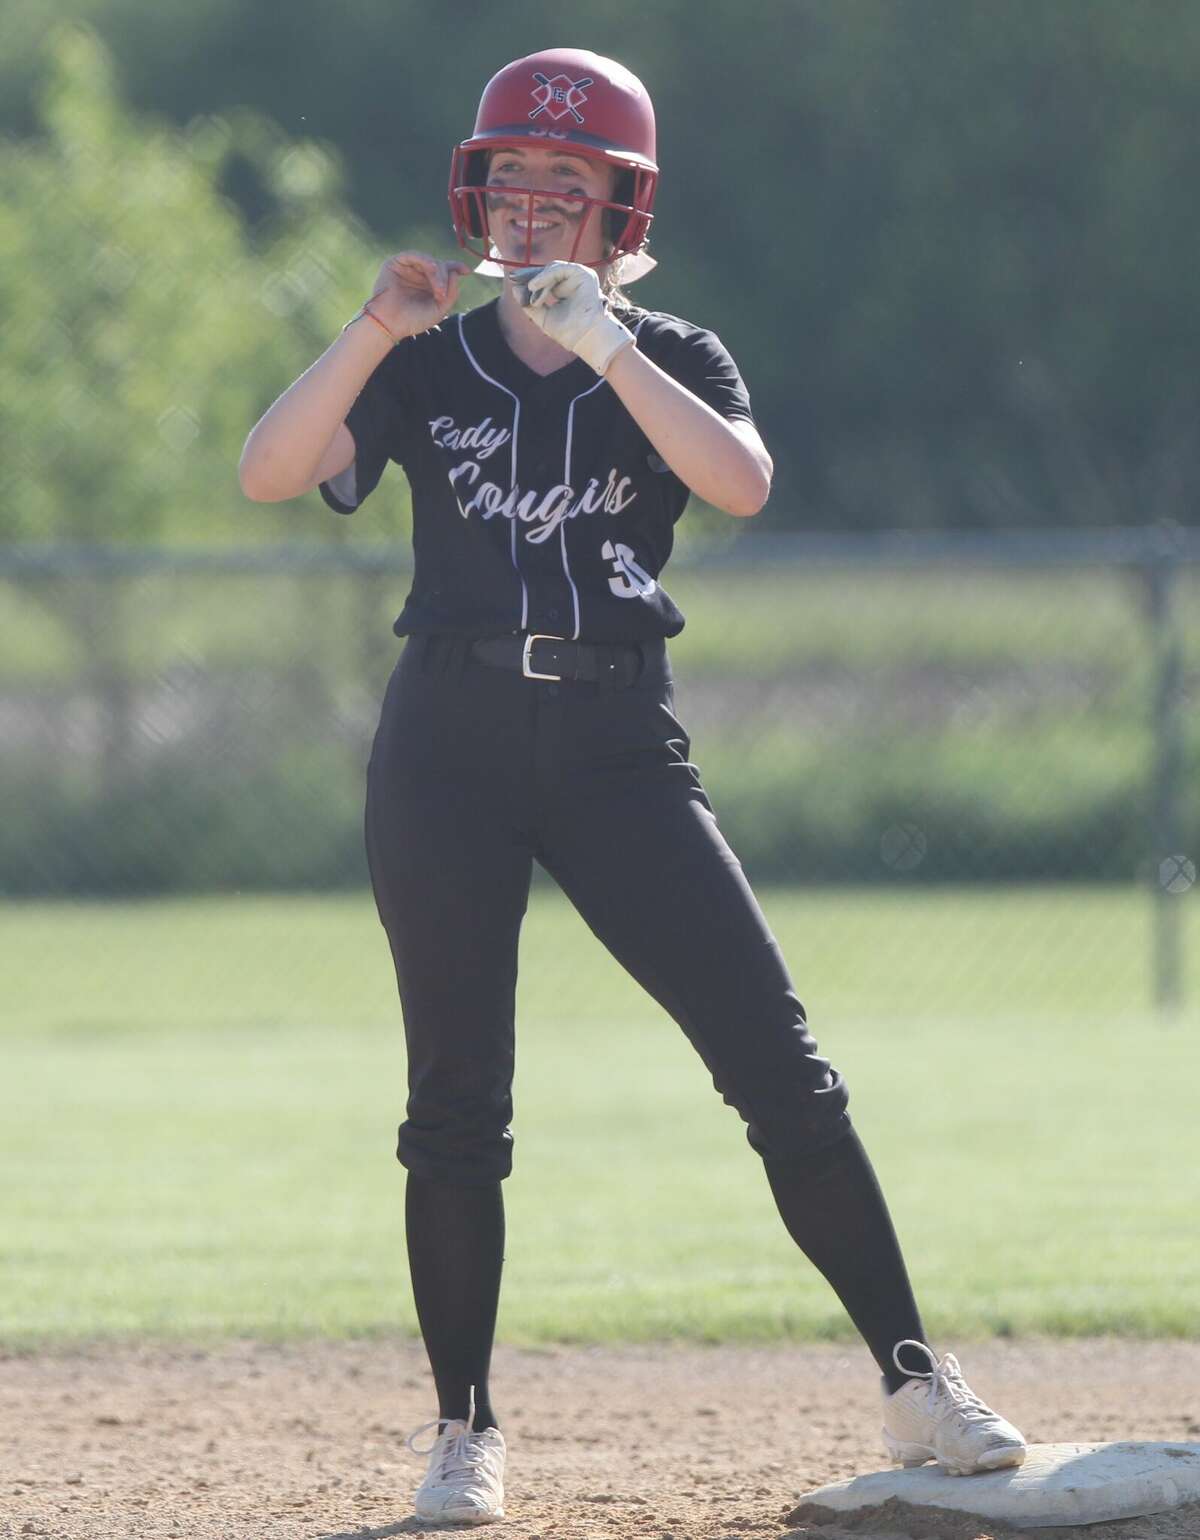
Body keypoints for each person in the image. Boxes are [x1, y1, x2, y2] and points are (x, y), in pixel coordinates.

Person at [239, 47, 1026, 1527]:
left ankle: (920, 1380)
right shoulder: (422, 361)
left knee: (780, 1067)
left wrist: (608, 346)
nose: (534, 208)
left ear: (620, 213)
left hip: (615, 746)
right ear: (479, 191)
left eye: (568, 185)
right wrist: (370, 323)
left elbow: (738, 484)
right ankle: (463, 1432)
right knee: (456, 1105)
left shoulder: (677, 357)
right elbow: (272, 470)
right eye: (514, 180)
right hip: (449, 744)